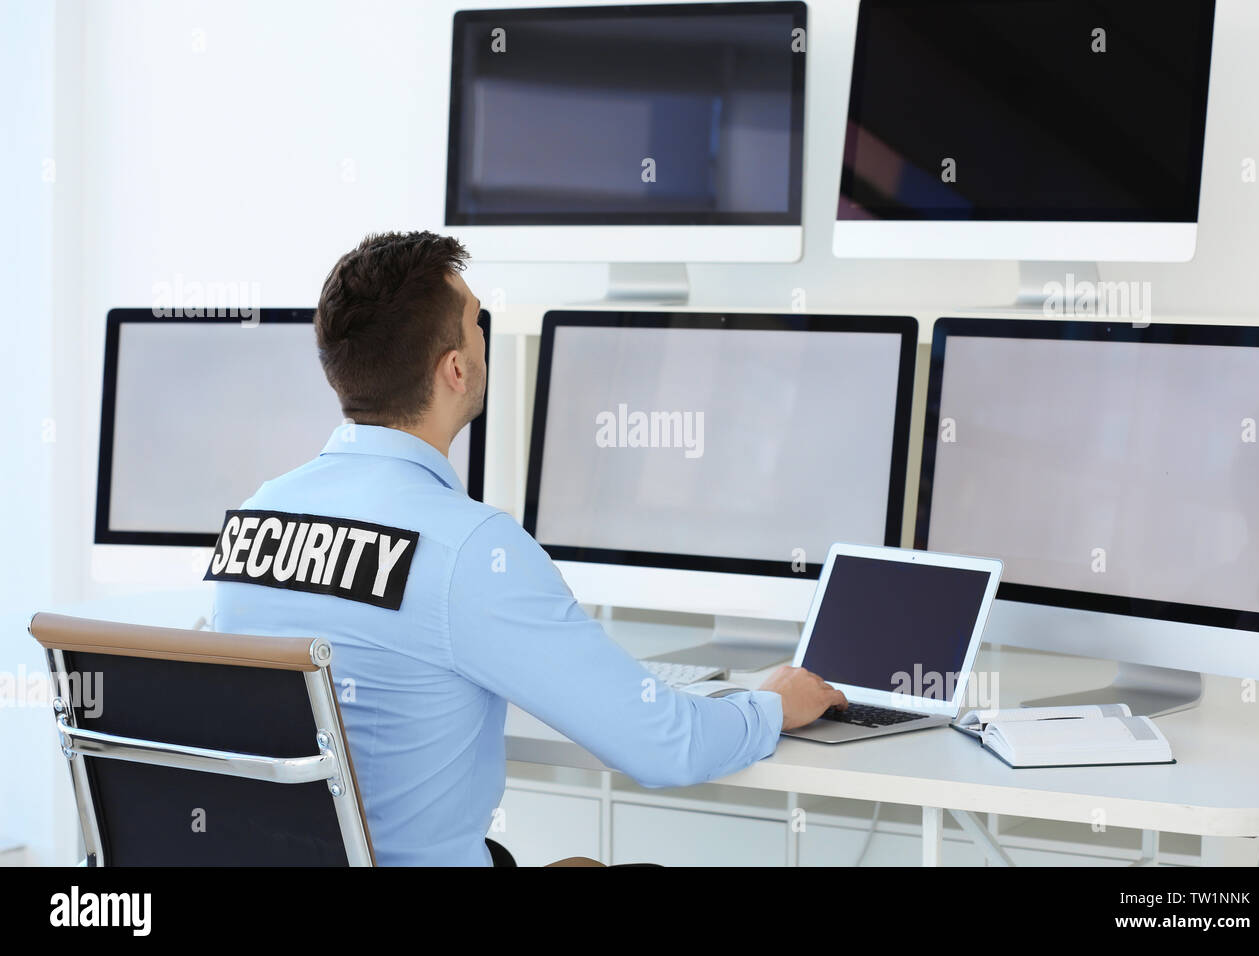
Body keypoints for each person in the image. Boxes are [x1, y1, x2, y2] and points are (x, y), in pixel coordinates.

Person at [209, 231, 847, 865]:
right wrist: (767, 706)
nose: (483, 335)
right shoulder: (471, 550)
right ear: (455, 369)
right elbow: (662, 746)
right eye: (476, 322)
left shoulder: (252, 518)